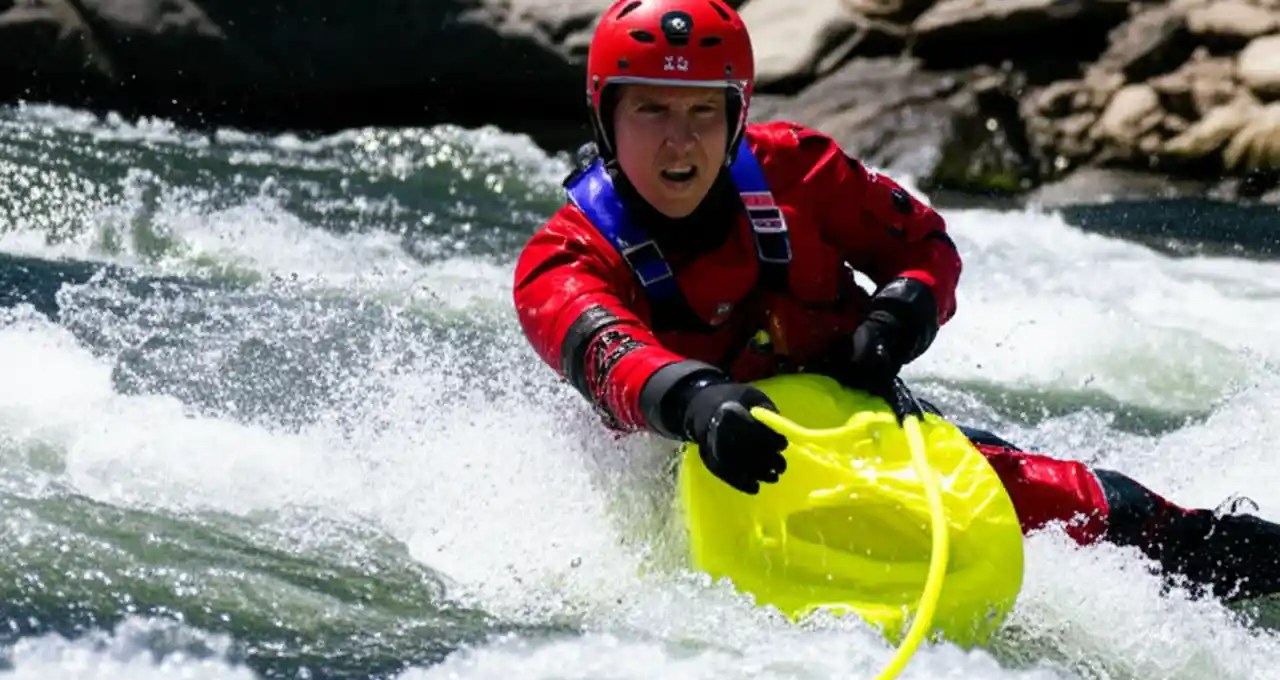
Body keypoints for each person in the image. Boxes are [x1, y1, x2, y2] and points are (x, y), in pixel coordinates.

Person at [512, 0, 1280, 603]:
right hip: (687, 473)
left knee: (1107, 511)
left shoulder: (798, 172)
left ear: (735, 114)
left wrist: (897, 317)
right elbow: (609, 351)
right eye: (651, 110)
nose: (680, 142)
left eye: (701, 111)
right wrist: (698, 404)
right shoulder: (562, 257)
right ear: (605, 117)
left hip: (859, 432)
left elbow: (925, 249)